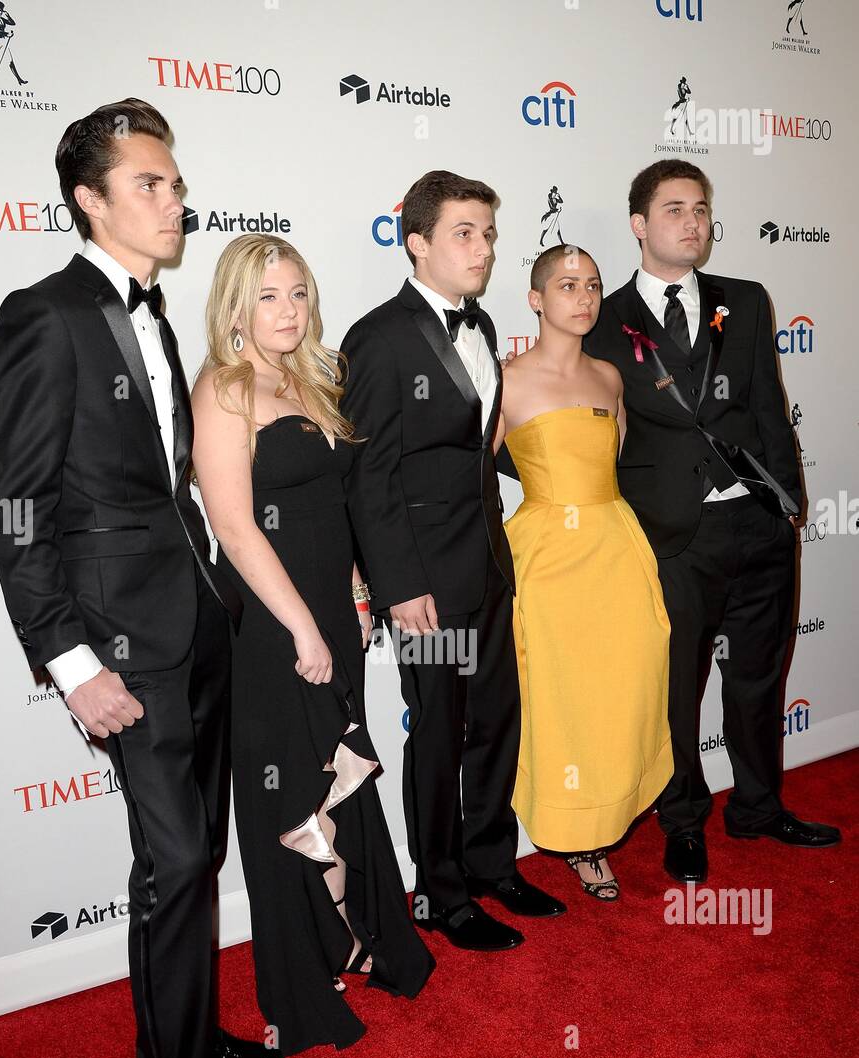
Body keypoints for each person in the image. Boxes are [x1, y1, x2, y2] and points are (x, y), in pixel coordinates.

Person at [0, 99, 281, 1058]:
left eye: (174, 180)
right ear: (89, 200)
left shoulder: (155, 317)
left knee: (195, 858)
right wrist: (71, 664)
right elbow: (12, 506)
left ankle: (191, 1034)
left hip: (195, 621)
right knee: (172, 864)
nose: (175, 198)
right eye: (149, 183)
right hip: (120, 647)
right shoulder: (45, 313)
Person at [190, 235, 434, 1056]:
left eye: (297, 293)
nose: (286, 310)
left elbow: (342, 507)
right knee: (290, 796)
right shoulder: (223, 389)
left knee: (336, 781)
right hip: (271, 626)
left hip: (333, 615)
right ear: (234, 305)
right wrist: (300, 625)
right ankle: (303, 978)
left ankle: (347, 937)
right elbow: (231, 524)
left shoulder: (310, 378)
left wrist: (356, 598)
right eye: (266, 297)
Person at [583, 159, 840, 882]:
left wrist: (785, 505)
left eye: (699, 209)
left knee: (758, 677)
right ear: (638, 225)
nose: (691, 222)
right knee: (674, 687)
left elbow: (766, 406)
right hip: (668, 537)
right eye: (673, 210)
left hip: (756, 528)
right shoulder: (602, 321)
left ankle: (758, 808)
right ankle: (682, 819)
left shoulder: (745, 300)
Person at [339, 170, 566, 952]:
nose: (483, 249)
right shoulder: (377, 337)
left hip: (486, 567)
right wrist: (399, 587)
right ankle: (438, 892)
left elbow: (475, 451)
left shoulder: (482, 323)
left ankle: (489, 865)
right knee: (436, 732)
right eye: (464, 234)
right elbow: (368, 477)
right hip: (426, 586)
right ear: (418, 243)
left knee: (495, 722)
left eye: (489, 234)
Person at [495, 245, 672, 900]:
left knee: (619, 686)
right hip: (547, 558)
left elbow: (613, 458)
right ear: (536, 299)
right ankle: (578, 838)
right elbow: (473, 478)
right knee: (561, 699)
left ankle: (610, 807)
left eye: (593, 285)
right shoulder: (505, 380)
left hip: (614, 548)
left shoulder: (608, 376)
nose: (584, 297)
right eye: (566, 285)